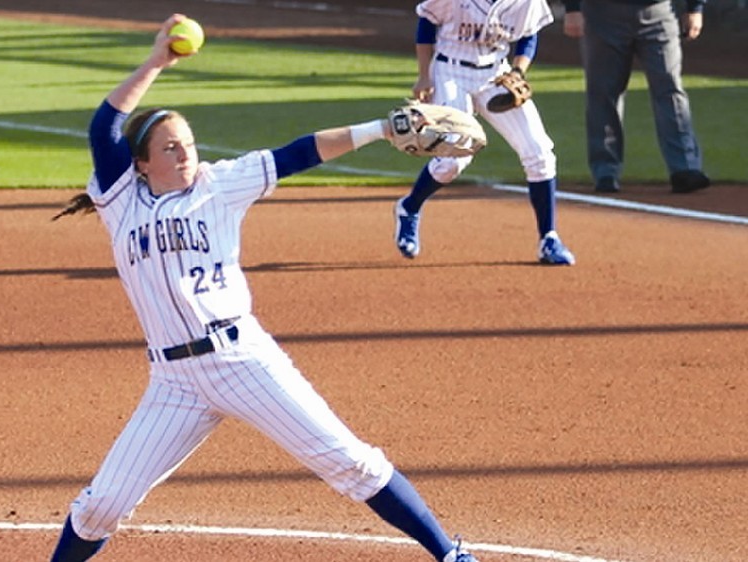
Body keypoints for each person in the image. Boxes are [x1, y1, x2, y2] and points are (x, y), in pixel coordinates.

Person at [48, 13, 481, 562]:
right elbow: (102, 128)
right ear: (141, 163)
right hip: (173, 381)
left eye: (188, 143)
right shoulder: (120, 199)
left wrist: (379, 129)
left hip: (242, 361)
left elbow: (299, 152)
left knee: (350, 462)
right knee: (100, 506)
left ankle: (451, 555)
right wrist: (158, 59)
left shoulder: (220, 185)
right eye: (171, 149)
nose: (186, 154)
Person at [395, 0, 576, 266]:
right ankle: (409, 208)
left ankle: (548, 238)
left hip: (496, 75)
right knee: (452, 159)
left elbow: (528, 34)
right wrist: (424, 75)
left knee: (539, 153)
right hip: (450, 71)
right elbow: (427, 22)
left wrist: (518, 72)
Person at [562, 0, 711, 194]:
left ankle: (685, 169)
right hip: (602, 14)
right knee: (604, 92)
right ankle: (605, 172)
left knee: (670, 90)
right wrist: (572, 8)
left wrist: (695, 8)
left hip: (659, 11)